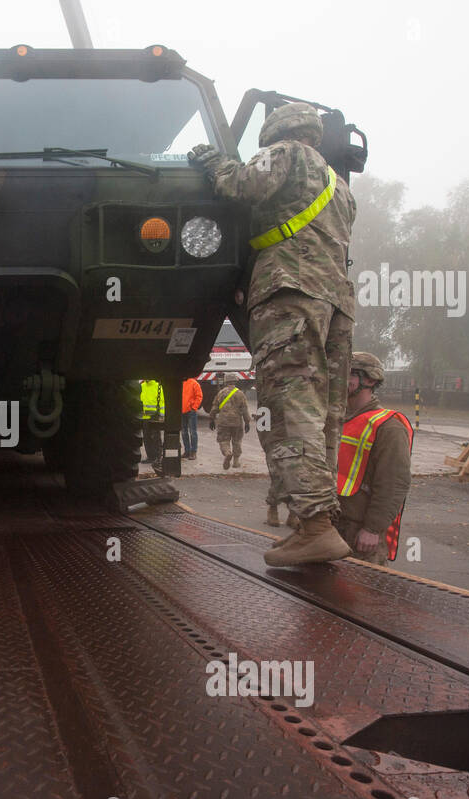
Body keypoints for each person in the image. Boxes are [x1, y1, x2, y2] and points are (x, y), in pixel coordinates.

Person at [190, 102, 357, 566]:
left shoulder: (287, 154)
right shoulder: (339, 185)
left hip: (290, 290)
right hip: (335, 301)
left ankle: (317, 522)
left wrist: (211, 161)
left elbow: (240, 185)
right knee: (323, 412)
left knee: (289, 407)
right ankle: (311, 525)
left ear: (278, 131)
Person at [334, 352, 412, 565]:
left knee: (358, 595)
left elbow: (394, 483)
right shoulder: (336, 420)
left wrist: (372, 528)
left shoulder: (388, 427)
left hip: (358, 531)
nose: (340, 379)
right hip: (330, 524)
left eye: (348, 374)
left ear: (369, 380)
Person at [208, 372, 251, 470]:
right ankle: (236, 462)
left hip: (223, 421)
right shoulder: (240, 393)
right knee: (237, 441)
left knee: (223, 440)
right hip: (237, 422)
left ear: (225, 381)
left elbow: (215, 407)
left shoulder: (221, 393)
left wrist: (211, 419)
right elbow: (244, 409)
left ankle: (227, 453)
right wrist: (247, 422)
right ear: (235, 381)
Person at [139, 379, 165, 475]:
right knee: (146, 438)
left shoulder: (158, 386)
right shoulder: (142, 386)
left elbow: (162, 402)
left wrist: (162, 415)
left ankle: (157, 457)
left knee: (155, 438)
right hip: (144, 417)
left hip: (154, 417)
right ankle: (150, 456)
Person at [181, 376, 202, 460]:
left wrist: (194, 408)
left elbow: (199, 396)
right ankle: (187, 451)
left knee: (193, 432)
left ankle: (193, 452)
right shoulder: (180, 383)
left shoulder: (194, 383)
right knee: (184, 432)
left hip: (191, 411)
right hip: (182, 411)